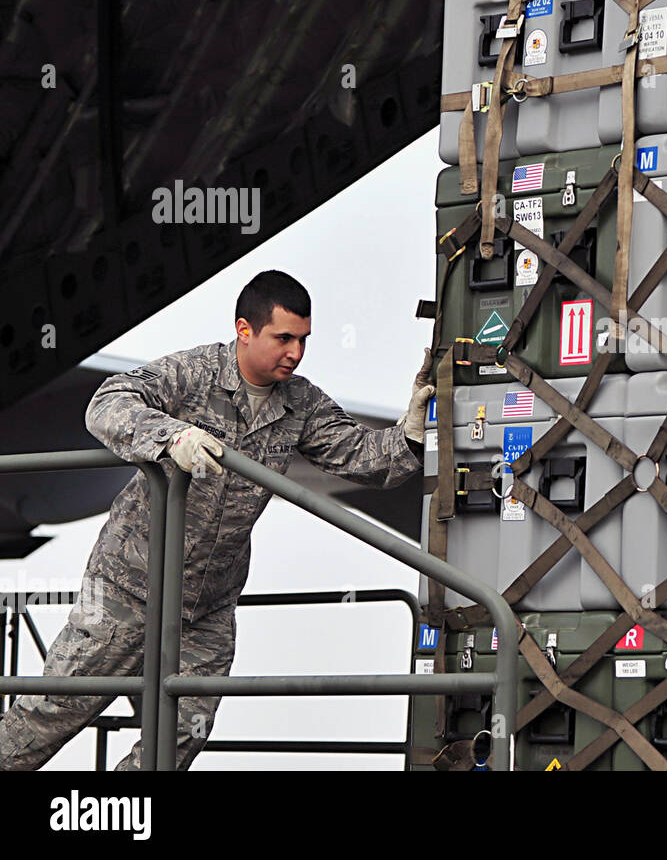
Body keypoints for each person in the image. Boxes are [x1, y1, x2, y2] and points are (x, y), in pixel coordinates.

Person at [0, 270, 434, 770]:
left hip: (205, 606)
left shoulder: (301, 403)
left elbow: (361, 457)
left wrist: (411, 431)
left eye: (303, 340)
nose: (295, 352)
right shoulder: (193, 374)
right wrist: (171, 438)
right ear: (244, 330)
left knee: (182, 735)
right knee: (48, 718)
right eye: (284, 338)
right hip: (129, 588)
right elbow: (107, 403)